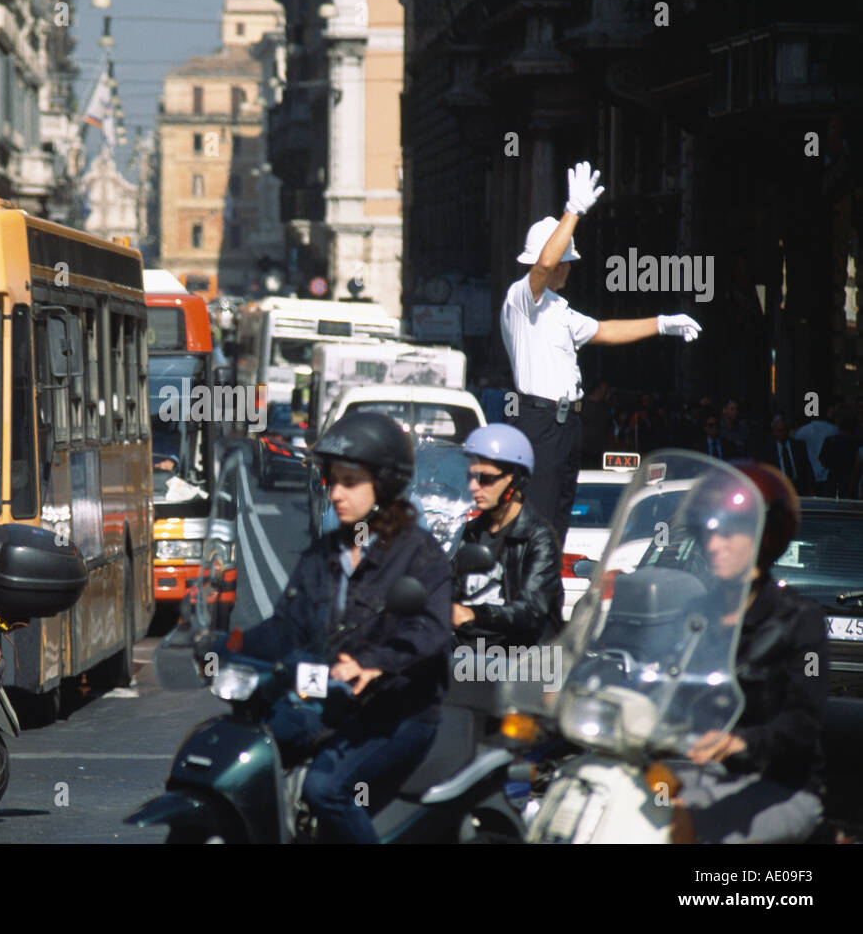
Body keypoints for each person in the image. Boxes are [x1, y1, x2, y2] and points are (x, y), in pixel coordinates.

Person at [238, 411, 453, 843]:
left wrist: (373, 664)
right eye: (332, 481)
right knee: (252, 759)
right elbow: (288, 624)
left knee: (326, 788)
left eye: (350, 482)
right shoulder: (325, 553)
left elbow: (430, 629)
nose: (336, 493)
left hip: (400, 713)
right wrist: (231, 644)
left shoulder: (419, 553)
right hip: (334, 705)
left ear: (386, 485)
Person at [501, 161, 702, 547]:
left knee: (555, 525)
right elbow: (543, 263)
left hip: (566, 426)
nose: (568, 270)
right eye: (567, 263)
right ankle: (529, 600)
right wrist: (573, 211)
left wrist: (660, 323)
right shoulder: (521, 299)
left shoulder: (558, 309)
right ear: (559, 263)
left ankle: (545, 600)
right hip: (539, 421)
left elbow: (605, 330)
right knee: (537, 528)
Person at [670, 461, 827, 844]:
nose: (713, 545)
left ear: (764, 535)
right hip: (698, 774)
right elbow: (663, 684)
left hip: (781, 785)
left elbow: (804, 720)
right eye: (708, 533)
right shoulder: (695, 614)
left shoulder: (800, 620)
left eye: (729, 534)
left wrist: (741, 743)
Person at [452, 424, 563, 646]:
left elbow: (531, 610)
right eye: (471, 477)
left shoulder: (538, 538)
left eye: (485, 478)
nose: (474, 486)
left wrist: (473, 615)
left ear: (516, 479)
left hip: (516, 662)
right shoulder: (468, 532)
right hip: (465, 655)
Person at [750, 414, 813, 496]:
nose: (782, 434)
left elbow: (807, 469)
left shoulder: (798, 446)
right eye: (778, 431)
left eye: (784, 430)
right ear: (773, 431)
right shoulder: (766, 449)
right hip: (777, 488)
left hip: (798, 488)